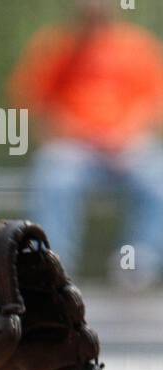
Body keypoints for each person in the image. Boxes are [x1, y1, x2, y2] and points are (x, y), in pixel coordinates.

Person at [9, 0, 163, 284]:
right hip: (75, 149)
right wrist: (82, 133)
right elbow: (36, 106)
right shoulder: (54, 47)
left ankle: (136, 264)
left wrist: (126, 134)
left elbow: (154, 105)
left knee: (158, 176)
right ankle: (52, 266)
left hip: (128, 146)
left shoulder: (138, 47)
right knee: (54, 174)